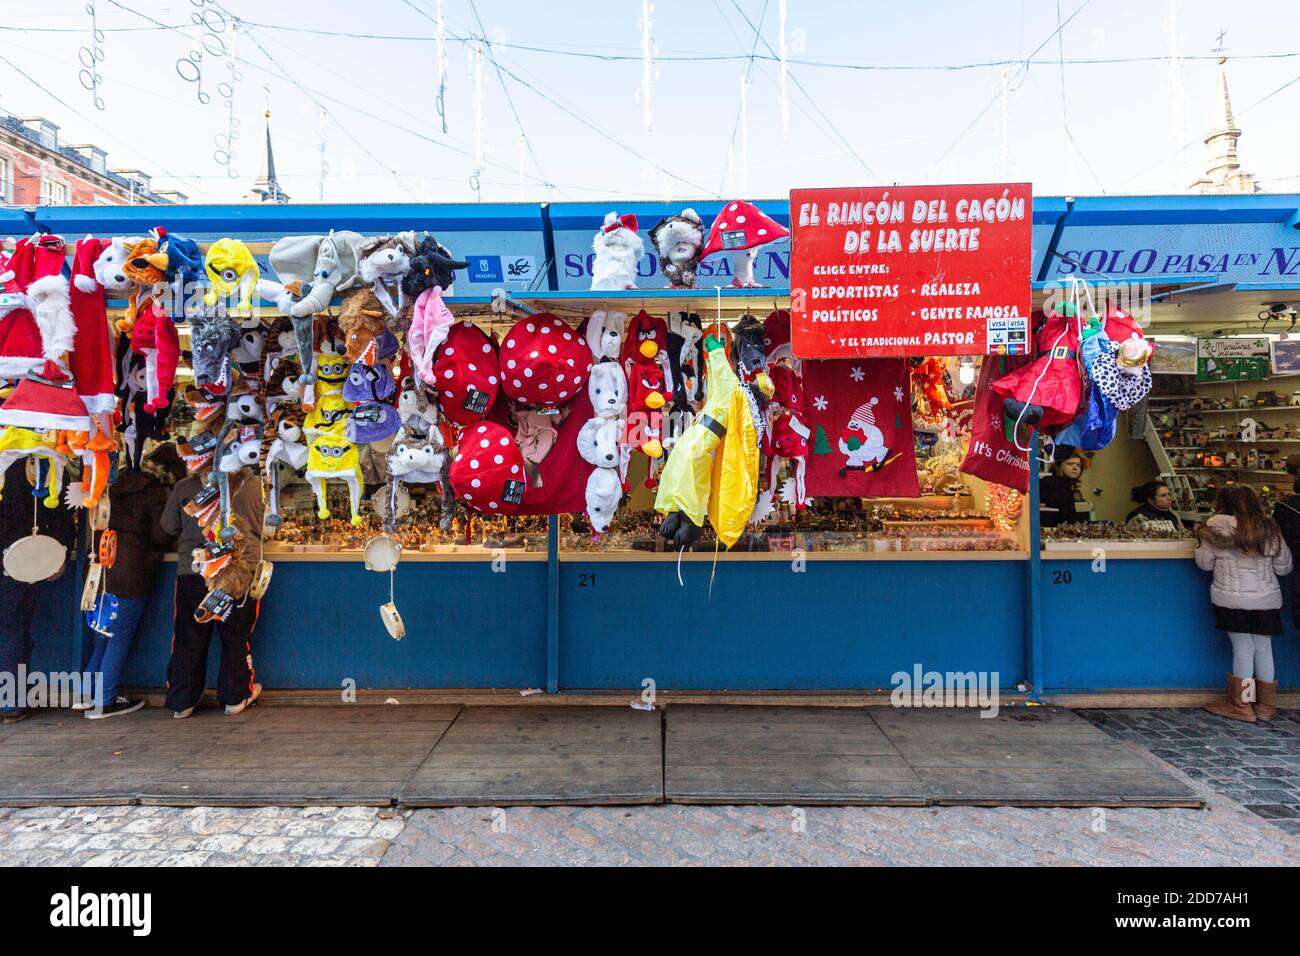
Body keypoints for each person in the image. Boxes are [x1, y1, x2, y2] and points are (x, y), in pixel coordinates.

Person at [79, 444, 185, 719]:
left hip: (99, 571)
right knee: (118, 638)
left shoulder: (113, 485)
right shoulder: (155, 493)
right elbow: (161, 535)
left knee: (101, 636)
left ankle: (87, 695)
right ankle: (104, 701)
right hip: (131, 575)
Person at [160, 468, 265, 718]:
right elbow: (267, 523)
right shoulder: (253, 486)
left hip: (193, 571)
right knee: (235, 635)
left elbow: (168, 526)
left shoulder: (184, 487)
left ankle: (182, 700)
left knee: (189, 635)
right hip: (238, 572)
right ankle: (236, 696)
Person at [1195, 485, 1292, 722]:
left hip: (1231, 599)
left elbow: (1204, 564)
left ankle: (1242, 705)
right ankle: (1266, 706)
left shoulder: (1214, 530)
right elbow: (1284, 567)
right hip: (1266, 600)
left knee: (1242, 648)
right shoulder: (1269, 529)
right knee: (1263, 648)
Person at [0, 459, 75, 724]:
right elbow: (61, 512)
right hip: (21, 559)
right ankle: (13, 701)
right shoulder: (43, 463)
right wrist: (61, 552)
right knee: (13, 631)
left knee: (12, 630)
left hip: (16, 556)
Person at [1038, 447, 1088, 527]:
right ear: (1059, 466)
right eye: (1070, 464)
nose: (1075, 468)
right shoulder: (1051, 483)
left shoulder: (1066, 485)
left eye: (1078, 465)